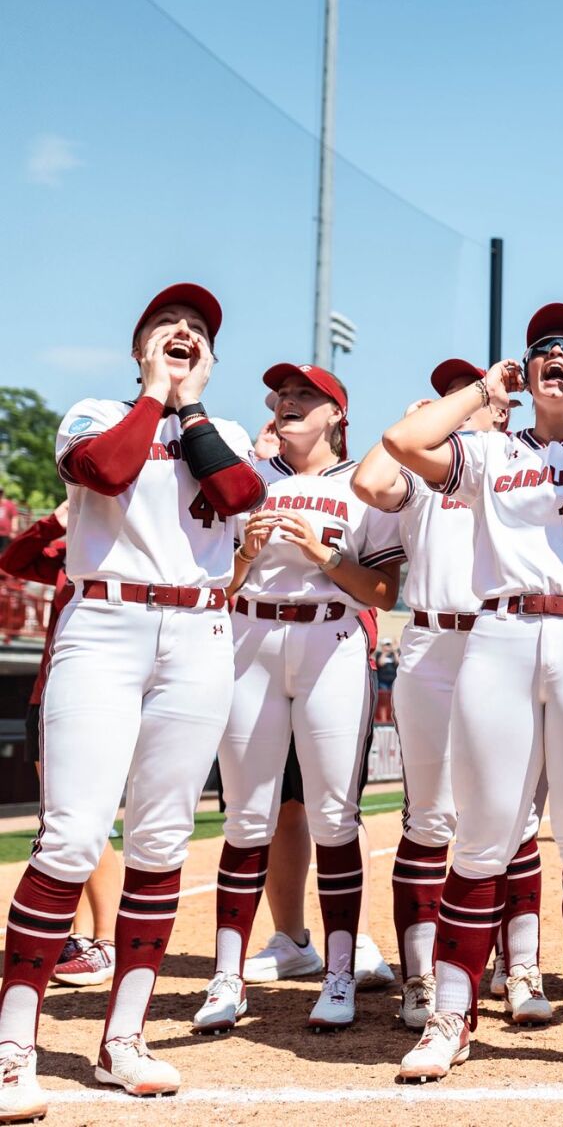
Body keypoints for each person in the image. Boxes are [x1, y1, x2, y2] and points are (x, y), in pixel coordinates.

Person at [0, 284, 262, 1119]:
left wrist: (187, 412)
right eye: (167, 325)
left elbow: (237, 496)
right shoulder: (92, 411)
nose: (184, 334)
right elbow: (105, 470)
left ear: (213, 360)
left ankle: (123, 1039)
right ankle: (13, 1051)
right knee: (74, 837)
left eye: (198, 332)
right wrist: (154, 395)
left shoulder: (224, 433)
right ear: (138, 344)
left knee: (159, 837)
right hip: (104, 622)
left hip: (199, 632)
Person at [382, 303, 563, 1080]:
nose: (556, 357)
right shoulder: (490, 449)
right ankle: (449, 1017)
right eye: (542, 350)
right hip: (500, 634)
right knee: (480, 835)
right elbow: (402, 444)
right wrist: (483, 387)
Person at [193, 363, 402, 1036]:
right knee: (246, 820)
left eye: (304, 395)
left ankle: (338, 972)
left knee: (334, 817)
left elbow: (383, 594)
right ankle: (226, 977)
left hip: (329, 642)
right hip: (249, 637)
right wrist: (244, 561)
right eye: (281, 395)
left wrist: (326, 559)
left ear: (337, 414)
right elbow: (212, 585)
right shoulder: (246, 483)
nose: (286, 401)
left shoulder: (364, 486)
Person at [351, 359, 551, 1031]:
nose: (465, 401)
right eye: (454, 392)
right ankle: (421, 978)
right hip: (433, 645)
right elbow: (367, 480)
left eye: (481, 392)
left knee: (514, 817)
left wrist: (487, 410)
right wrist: (418, 422)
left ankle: (520, 966)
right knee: (430, 818)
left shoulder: (518, 459)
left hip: (505, 636)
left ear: (506, 411)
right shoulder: (420, 469)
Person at [0, 502, 124, 991]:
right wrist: (56, 519)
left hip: (98, 692)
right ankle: (67, 937)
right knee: (60, 816)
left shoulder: (128, 545)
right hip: (49, 692)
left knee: (84, 815)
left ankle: (107, 942)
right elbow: (12, 563)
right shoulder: (71, 545)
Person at [373, 641, 400, 724]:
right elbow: (380, 663)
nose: (388, 647)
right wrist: (384, 653)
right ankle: (383, 721)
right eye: (386, 645)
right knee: (383, 703)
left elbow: (398, 663)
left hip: (393, 681)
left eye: (389, 645)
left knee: (394, 703)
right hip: (383, 682)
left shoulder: (394, 654)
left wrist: (395, 651)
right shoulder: (379, 654)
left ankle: (393, 721)